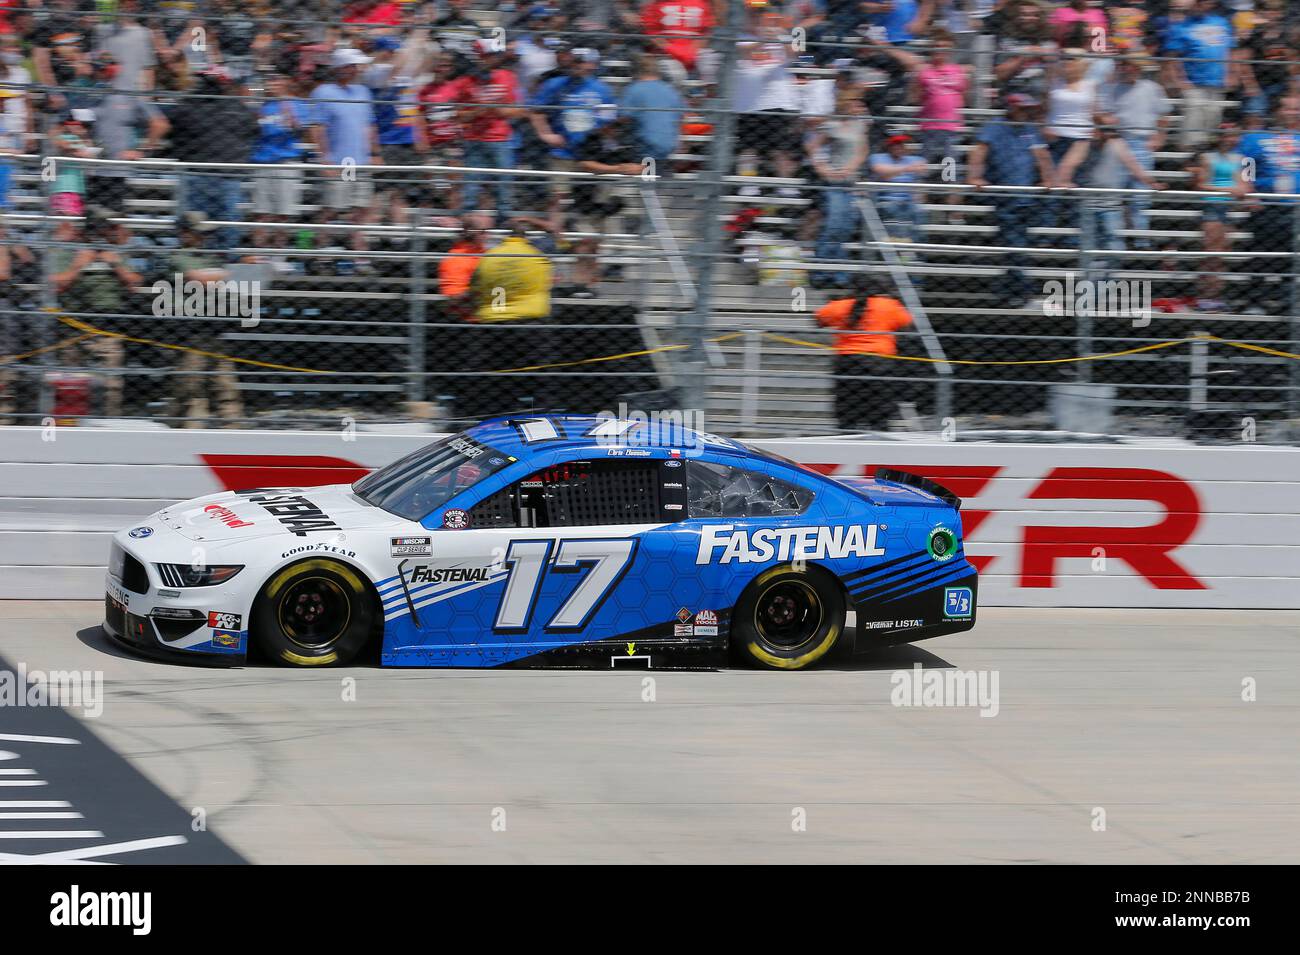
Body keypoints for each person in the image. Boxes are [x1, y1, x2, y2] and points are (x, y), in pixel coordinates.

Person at [50, 207, 141, 418]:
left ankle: (107, 426)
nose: (100, 233)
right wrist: (78, 266)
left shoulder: (115, 252)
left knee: (110, 387)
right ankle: (70, 427)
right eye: (96, 228)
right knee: (71, 386)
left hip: (108, 330)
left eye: (104, 228)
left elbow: (135, 283)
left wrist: (116, 264)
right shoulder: (71, 250)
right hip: (75, 329)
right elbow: (55, 284)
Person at [967, 93, 1056, 306]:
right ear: (1011, 108)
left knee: (1018, 247)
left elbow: (1042, 155)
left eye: (1028, 109)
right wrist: (974, 176)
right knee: (1016, 246)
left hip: (1028, 198)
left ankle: (1010, 291)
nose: (1027, 113)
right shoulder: (995, 126)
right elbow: (979, 152)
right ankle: (1020, 293)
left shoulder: (1029, 129)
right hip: (1006, 197)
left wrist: (1047, 179)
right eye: (1023, 109)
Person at [465, 220, 555, 416]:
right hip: (532, 324)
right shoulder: (536, 254)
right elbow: (553, 233)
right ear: (526, 238)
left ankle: (499, 417)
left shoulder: (490, 256)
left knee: (500, 378)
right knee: (541, 376)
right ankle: (540, 415)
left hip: (496, 322)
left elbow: (474, 287)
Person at [167, 212, 245, 424]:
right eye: (197, 233)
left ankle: (233, 426)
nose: (203, 238)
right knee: (192, 386)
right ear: (184, 234)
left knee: (225, 383)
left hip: (213, 326)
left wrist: (230, 272)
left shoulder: (209, 256)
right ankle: (191, 427)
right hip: (190, 330)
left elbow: (221, 276)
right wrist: (230, 274)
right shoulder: (177, 256)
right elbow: (198, 278)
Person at [815, 272, 916, 431]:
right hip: (879, 363)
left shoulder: (842, 305)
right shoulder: (889, 305)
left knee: (847, 416)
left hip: (847, 363)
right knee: (879, 416)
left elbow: (818, 320)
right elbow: (908, 326)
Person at [169, 66, 253, 248]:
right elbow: (251, 133)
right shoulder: (237, 107)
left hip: (204, 172)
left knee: (204, 219)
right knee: (221, 220)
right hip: (220, 174)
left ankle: (213, 256)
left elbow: (173, 128)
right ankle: (218, 257)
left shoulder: (190, 104)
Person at [442, 40, 522, 223]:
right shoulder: (465, 82)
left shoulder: (507, 77)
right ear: (479, 57)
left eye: (495, 55)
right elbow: (457, 115)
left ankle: (505, 220)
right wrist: (479, 111)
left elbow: (517, 110)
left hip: (500, 138)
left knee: (504, 182)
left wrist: (499, 110)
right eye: (489, 56)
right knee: (471, 183)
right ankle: (468, 220)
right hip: (474, 139)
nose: (495, 59)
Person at [1234, 94, 1300, 314]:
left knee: (1293, 257)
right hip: (1268, 207)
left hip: (1296, 208)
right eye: (1288, 108)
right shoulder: (1257, 138)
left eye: (1296, 109)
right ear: (1277, 111)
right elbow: (1246, 165)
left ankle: (1288, 302)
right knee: (1262, 255)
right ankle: (1256, 300)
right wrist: (1249, 190)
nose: (1293, 112)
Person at [1100, 53, 1171, 243]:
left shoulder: (1152, 88)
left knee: (1140, 196)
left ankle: (1141, 241)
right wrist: (1108, 121)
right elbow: (1104, 114)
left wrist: (1159, 136)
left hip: (1142, 143)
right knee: (1113, 195)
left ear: (1138, 68)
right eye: (1123, 65)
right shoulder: (1110, 89)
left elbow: (1164, 116)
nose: (1126, 68)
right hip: (1117, 143)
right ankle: (1115, 241)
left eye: (1130, 65)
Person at [808, 87, 870, 287]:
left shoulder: (859, 125)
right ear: (845, 103)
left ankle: (838, 274)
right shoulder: (832, 124)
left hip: (851, 181)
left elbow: (862, 151)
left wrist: (852, 166)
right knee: (834, 225)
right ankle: (821, 272)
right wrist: (822, 167)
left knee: (845, 227)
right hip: (834, 181)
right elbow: (813, 146)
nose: (858, 106)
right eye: (855, 103)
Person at [311, 48, 381, 220]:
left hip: (362, 162)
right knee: (334, 208)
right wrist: (324, 159)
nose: (356, 70)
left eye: (356, 66)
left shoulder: (363, 92)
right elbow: (317, 128)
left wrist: (375, 153)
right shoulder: (324, 92)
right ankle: (314, 244)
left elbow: (370, 126)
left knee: (361, 209)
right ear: (339, 68)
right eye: (351, 66)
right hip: (340, 162)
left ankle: (357, 246)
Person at [1163, 0, 1234, 149]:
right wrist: (1180, 80)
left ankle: (1207, 149)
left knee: (1213, 114)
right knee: (1194, 112)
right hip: (1193, 81)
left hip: (1217, 80)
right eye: (1200, 3)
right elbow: (1173, 57)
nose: (1204, 5)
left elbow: (1228, 51)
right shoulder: (1181, 27)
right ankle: (1188, 150)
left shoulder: (1221, 23)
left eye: (1207, 3)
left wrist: (1229, 73)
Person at [618, 54, 683, 180]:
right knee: (658, 190)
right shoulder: (671, 91)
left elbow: (624, 118)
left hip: (644, 151)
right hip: (666, 151)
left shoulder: (634, 89)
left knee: (646, 193)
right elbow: (679, 118)